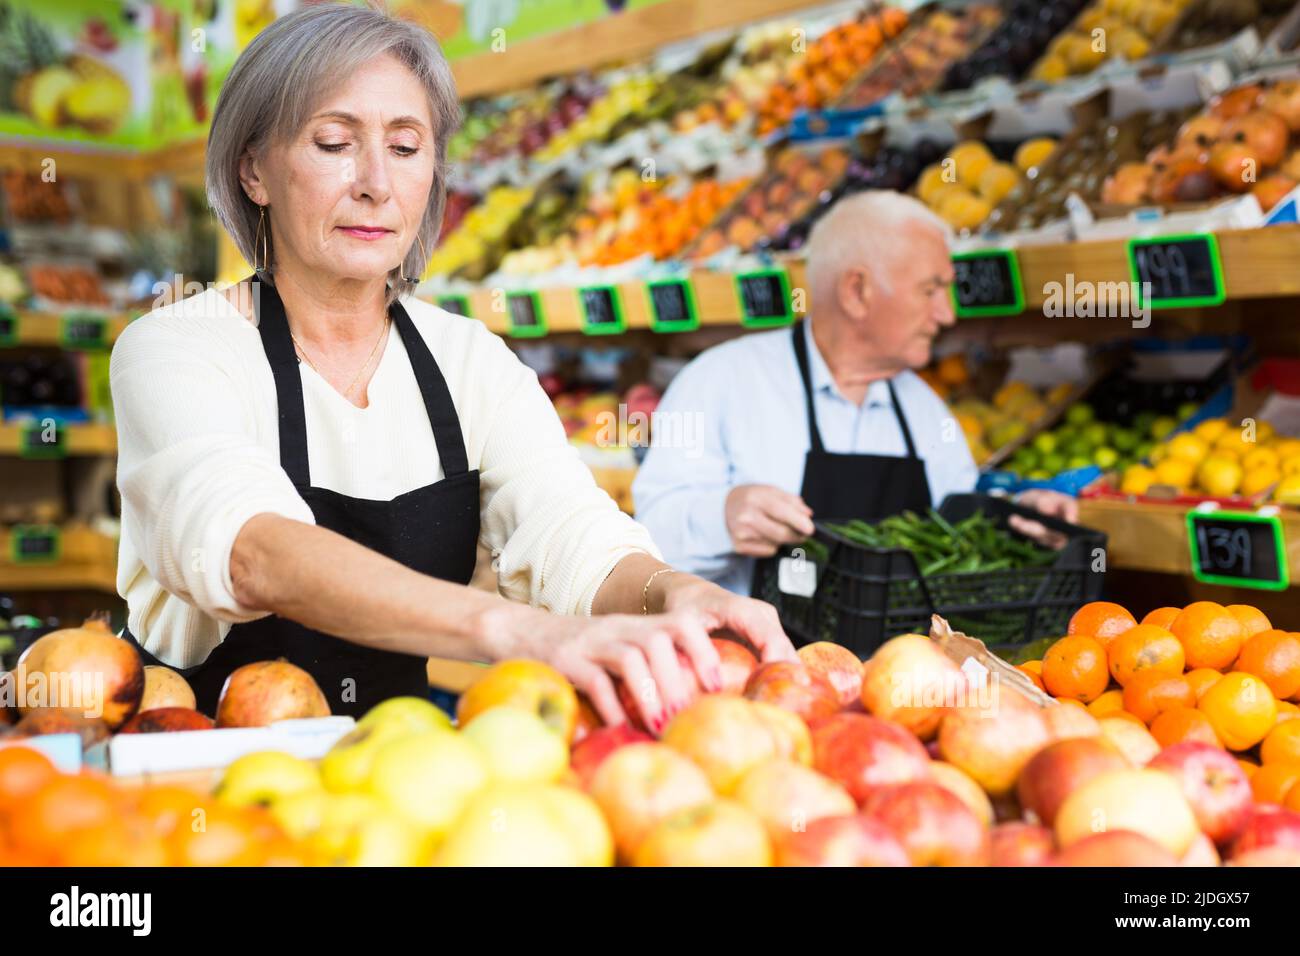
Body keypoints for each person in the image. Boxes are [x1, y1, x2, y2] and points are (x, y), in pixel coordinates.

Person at [110, 5, 793, 727]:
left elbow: (569, 533)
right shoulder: (180, 349)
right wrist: (515, 631)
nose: (376, 182)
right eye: (335, 142)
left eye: (406, 148)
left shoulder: (468, 363)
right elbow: (254, 551)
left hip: (405, 778)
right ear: (254, 171)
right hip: (201, 772)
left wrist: (675, 594)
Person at [634, 190, 1077, 599]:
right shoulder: (722, 381)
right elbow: (648, 543)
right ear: (857, 291)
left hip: (903, 672)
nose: (947, 314)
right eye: (930, 290)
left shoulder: (924, 410)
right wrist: (723, 517)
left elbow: (961, 525)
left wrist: (1018, 516)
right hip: (758, 672)